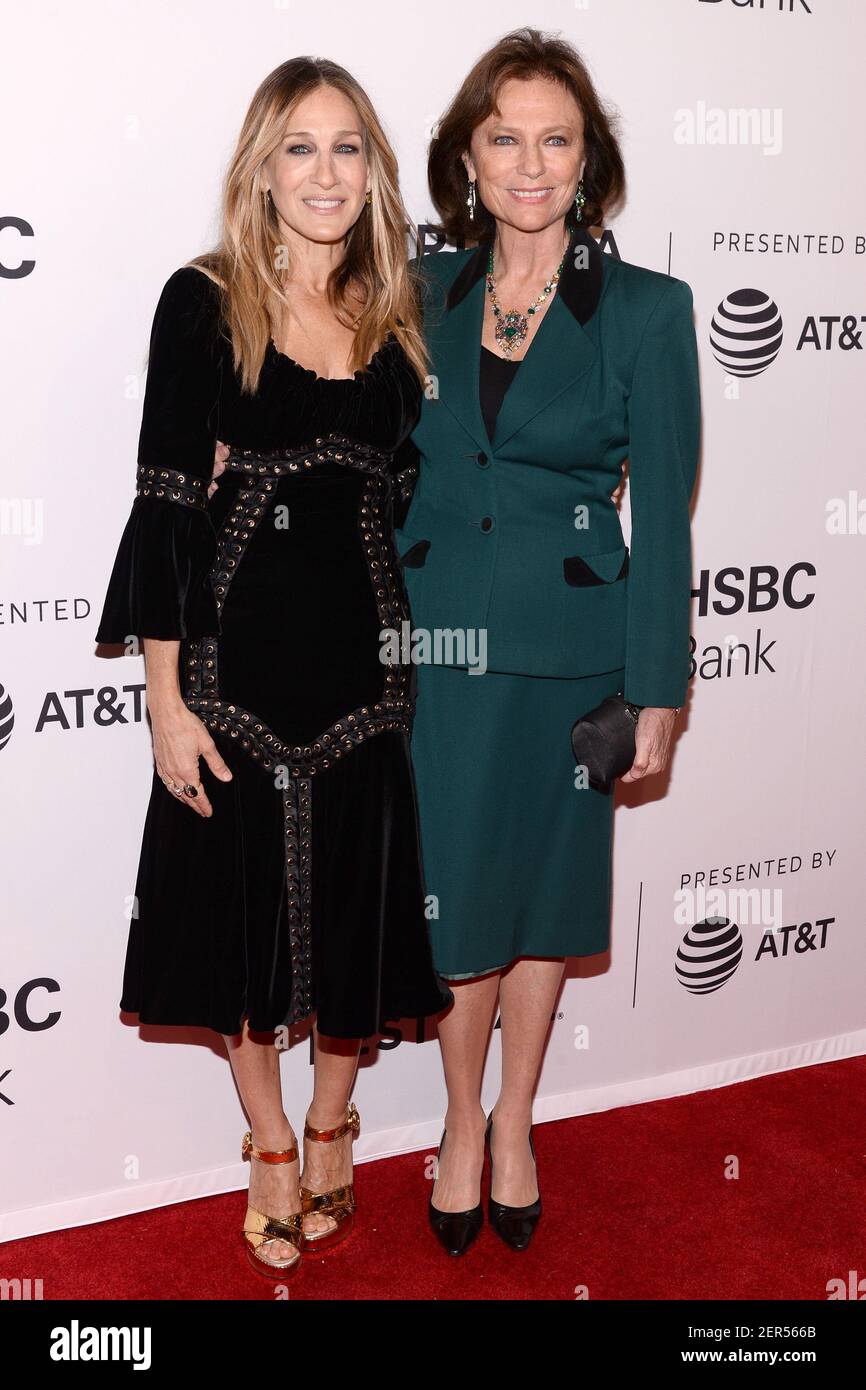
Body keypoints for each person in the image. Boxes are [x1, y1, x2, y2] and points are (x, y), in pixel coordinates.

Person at [95, 57, 453, 1280]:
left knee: (357, 921)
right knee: (239, 927)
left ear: (375, 169)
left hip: (369, 678)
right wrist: (165, 700)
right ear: (261, 165)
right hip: (229, 678)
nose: (325, 173)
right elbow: (162, 509)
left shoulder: (401, 313)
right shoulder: (200, 302)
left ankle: (332, 1119)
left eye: (348, 147)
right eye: (298, 148)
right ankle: (267, 1145)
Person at [396, 27, 701, 1254]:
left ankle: (516, 1117)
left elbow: (666, 511)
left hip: (575, 655)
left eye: (555, 138)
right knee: (460, 903)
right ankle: (457, 1119)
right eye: (504, 135)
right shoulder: (414, 294)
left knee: (544, 902)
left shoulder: (647, 311)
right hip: (438, 651)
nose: (530, 162)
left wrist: (657, 685)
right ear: (466, 156)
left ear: (590, 162)